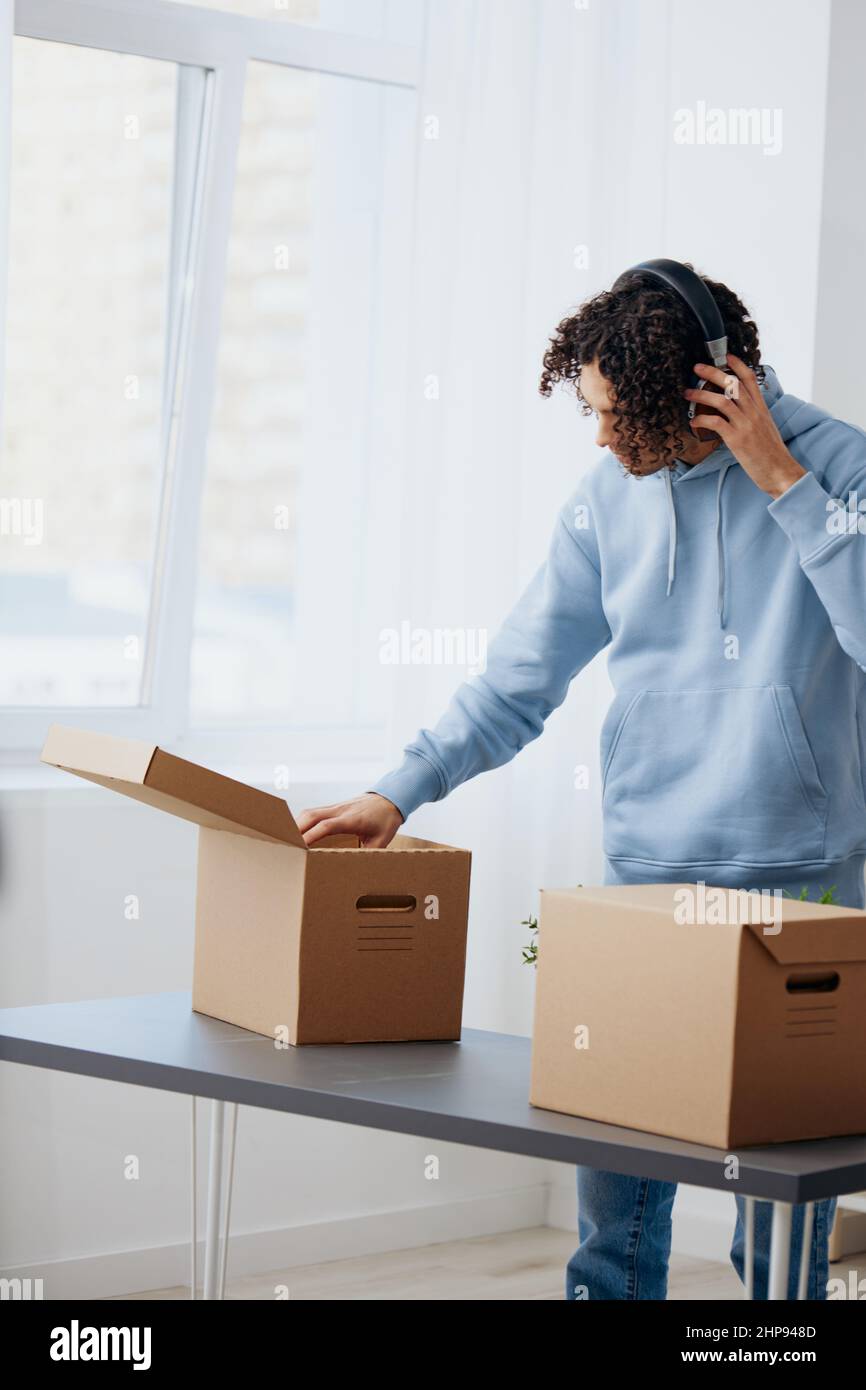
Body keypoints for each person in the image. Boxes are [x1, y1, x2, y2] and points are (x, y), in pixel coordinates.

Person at [298, 263, 866, 1300]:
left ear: (706, 390)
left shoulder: (837, 466)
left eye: (617, 415)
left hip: (803, 883)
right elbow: (521, 674)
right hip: (642, 875)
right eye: (592, 411)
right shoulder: (608, 497)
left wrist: (782, 483)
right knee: (614, 1198)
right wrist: (400, 788)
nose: (601, 439)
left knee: (775, 1225)